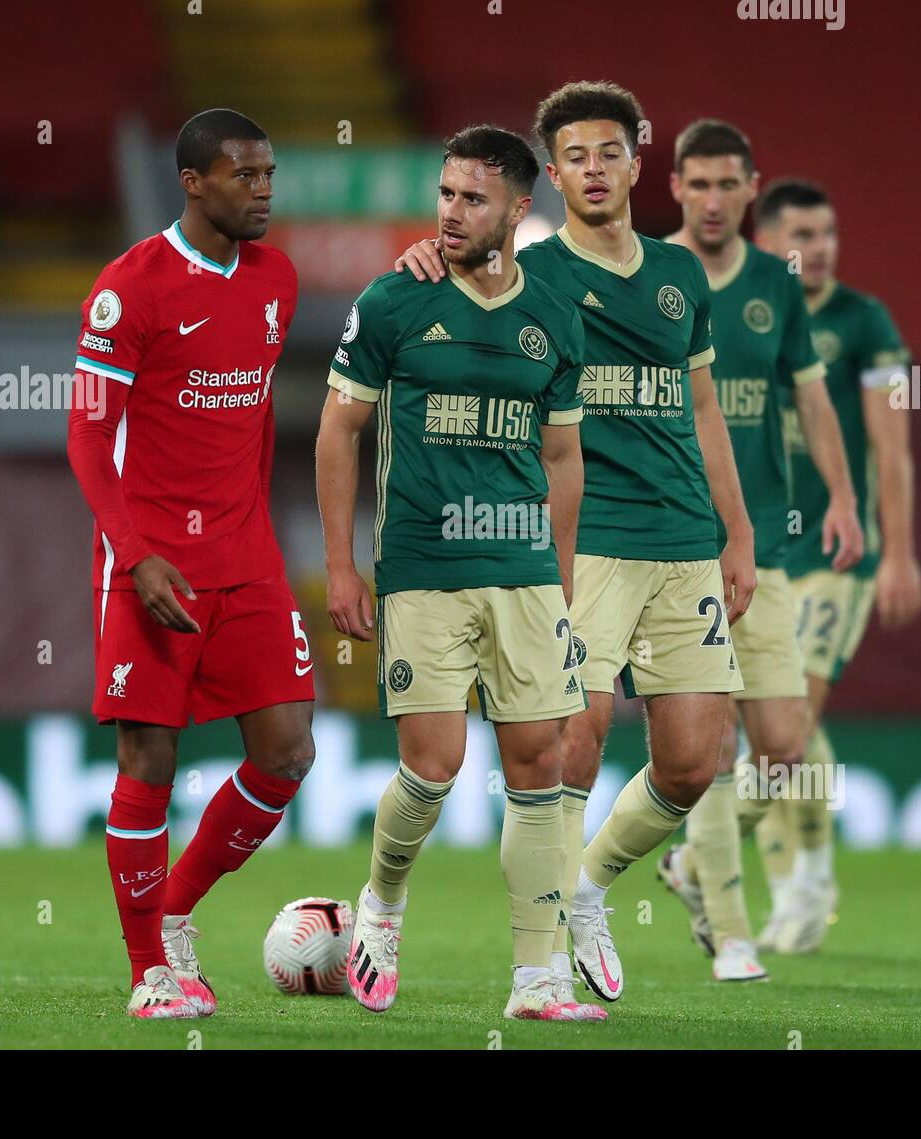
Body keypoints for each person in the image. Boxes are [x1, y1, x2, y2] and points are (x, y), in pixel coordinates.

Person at [395, 83, 755, 1005]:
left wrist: (739, 528)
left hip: (683, 537)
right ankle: (543, 958)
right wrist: (425, 255)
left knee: (692, 761)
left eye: (608, 152)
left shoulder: (681, 278)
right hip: (587, 538)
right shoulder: (533, 272)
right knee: (574, 742)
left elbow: (703, 404)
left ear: (638, 159)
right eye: (574, 158)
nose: (593, 170)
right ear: (548, 178)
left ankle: (588, 889)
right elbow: (452, 266)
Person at [317, 124, 606, 1021]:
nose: (450, 212)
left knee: (537, 767)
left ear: (520, 209)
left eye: (471, 198)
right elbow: (339, 429)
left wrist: (558, 579)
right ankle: (383, 905)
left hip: (523, 571)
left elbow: (564, 458)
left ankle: (537, 980)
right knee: (434, 765)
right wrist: (341, 566)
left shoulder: (554, 315)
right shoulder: (397, 301)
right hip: (424, 567)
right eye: (444, 193)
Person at [68, 108, 316, 1019]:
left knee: (289, 753)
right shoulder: (129, 289)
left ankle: (173, 910)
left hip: (245, 557)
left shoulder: (277, 281)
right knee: (151, 755)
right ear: (194, 182)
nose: (263, 191)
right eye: (245, 176)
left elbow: (248, 428)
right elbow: (88, 436)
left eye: (270, 174)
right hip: (152, 559)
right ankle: (147, 975)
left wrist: (259, 545)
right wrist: (133, 556)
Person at [658, 123, 862, 982]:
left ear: (752, 189)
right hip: (670, 538)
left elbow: (810, 397)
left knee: (783, 739)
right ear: (672, 186)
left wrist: (845, 496)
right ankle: (729, 929)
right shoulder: (643, 270)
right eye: (697, 182)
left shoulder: (776, 284)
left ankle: (686, 866)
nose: (711, 199)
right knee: (702, 738)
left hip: (767, 538)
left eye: (726, 183)